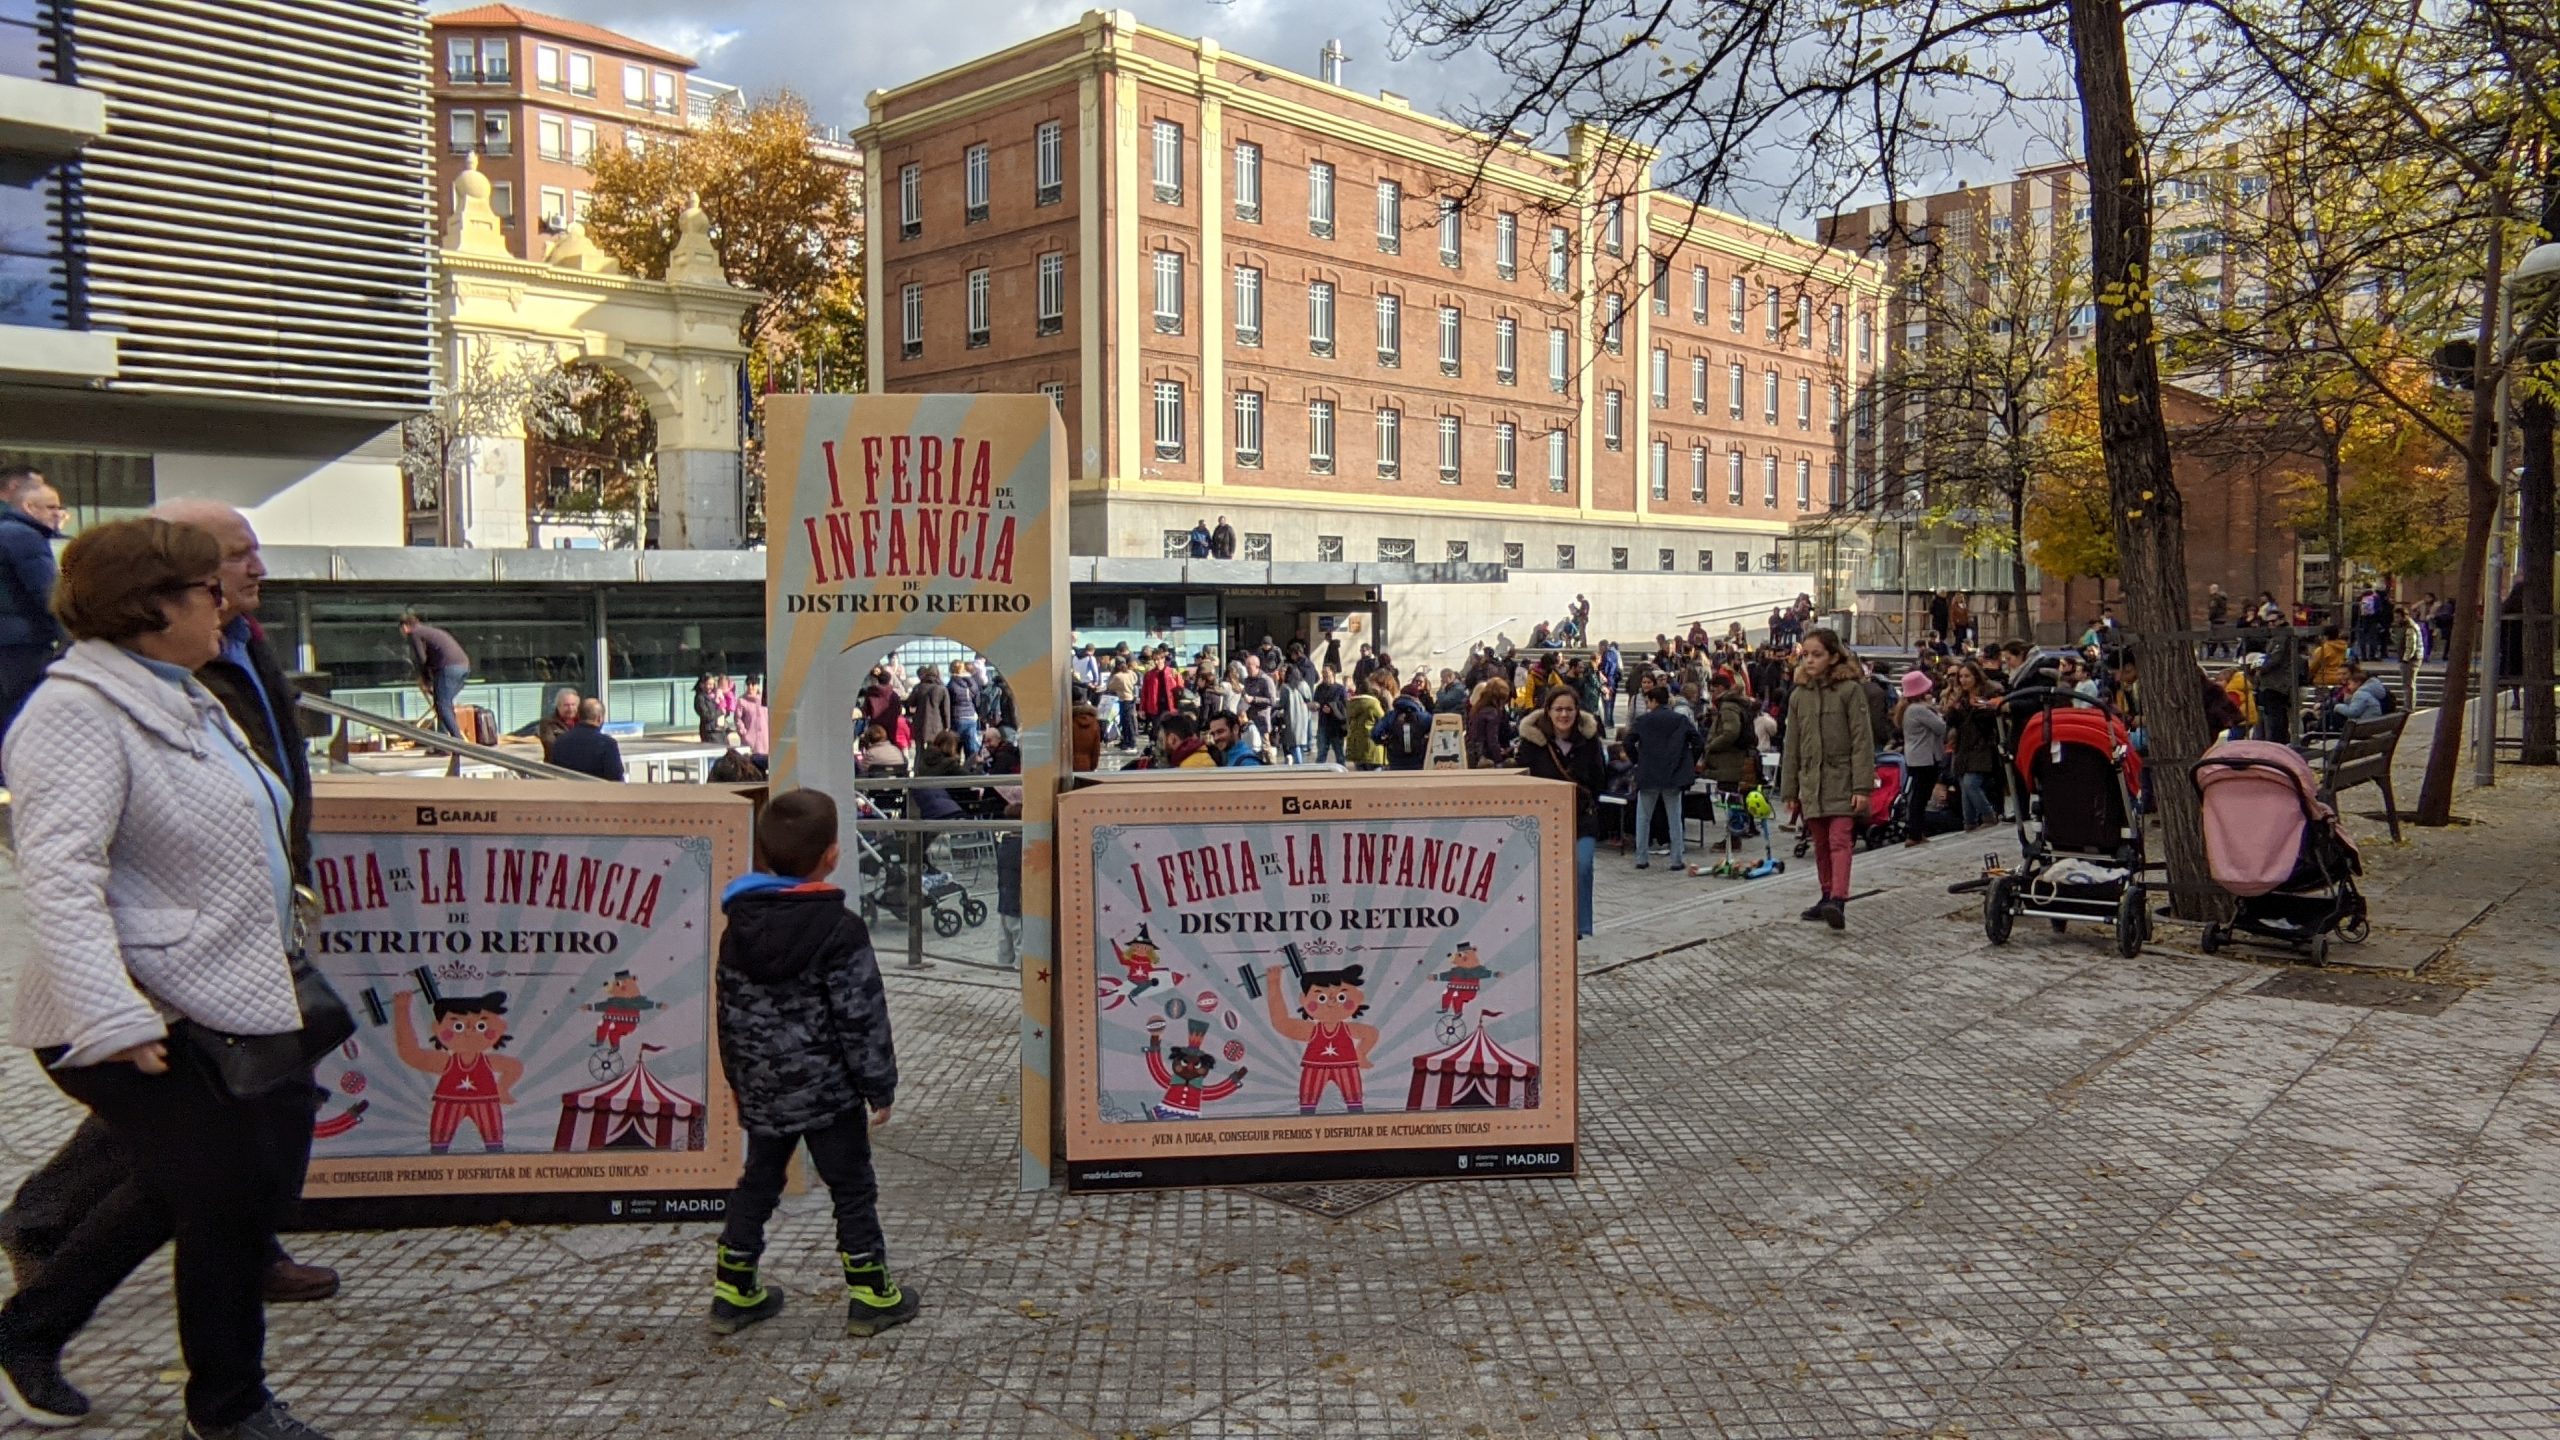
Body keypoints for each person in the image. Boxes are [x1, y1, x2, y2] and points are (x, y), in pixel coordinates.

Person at [0, 518, 333, 1438]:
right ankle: (229, 1407)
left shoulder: (179, 693)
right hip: (132, 1011)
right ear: (150, 607)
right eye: (207, 591)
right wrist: (114, 1014)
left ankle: (28, 1330)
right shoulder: (76, 712)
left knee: (197, 1182)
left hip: (222, 993)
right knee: (223, 1190)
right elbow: (60, 875)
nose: (226, 605)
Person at [706, 789, 916, 1341]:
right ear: (832, 854)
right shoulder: (840, 929)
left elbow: (729, 1014)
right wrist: (879, 1085)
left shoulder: (738, 927)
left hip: (763, 1086)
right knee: (851, 1186)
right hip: (829, 1091)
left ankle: (733, 1286)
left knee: (759, 1179)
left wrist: (740, 1081)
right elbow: (861, 1015)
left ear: (764, 854)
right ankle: (871, 1293)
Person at [1780, 628, 1876, 930]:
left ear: (1833, 657)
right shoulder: (1798, 696)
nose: (1809, 660)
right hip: (1812, 781)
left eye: (1817, 655)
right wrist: (1789, 790)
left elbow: (1862, 740)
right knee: (1820, 842)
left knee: (1839, 840)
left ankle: (1838, 898)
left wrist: (1862, 786)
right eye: (1805, 655)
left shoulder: (1850, 691)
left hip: (1842, 779)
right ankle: (1826, 895)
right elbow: (1791, 745)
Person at [1518, 686, 1606, 939]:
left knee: (1582, 865)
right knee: (1547, 871)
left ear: (1577, 711)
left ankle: (1581, 925)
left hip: (1581, 817)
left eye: (1569, 709)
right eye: (1558, 709)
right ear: (1548, 711)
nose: (1564, 715)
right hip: (1545, 819)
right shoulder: (1532, 742)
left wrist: (1590, 802)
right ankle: (1548, 922)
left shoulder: (1589, 740)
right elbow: (1524, 779)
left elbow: (1599, 777)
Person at [0, 469, 64, 759]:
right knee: (23, 716)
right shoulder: (24, 537)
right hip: (23, 644)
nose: (58, 514)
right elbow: (48, 594)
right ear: (28, 507)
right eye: (51, 507)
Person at [1625, 689, 1702, 871]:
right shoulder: (1679, 720)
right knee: (1674, 818)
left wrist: (1637, 760)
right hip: (1673, 774)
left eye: (1648, 701)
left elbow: (1628, 742)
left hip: (1648, 773)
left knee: (1643, 818)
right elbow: (1698, 741)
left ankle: (1641, 858)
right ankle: (1676, 860)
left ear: (1653, 701)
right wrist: (1688, 761)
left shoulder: (1643, 720)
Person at [398, 610, 471, 760]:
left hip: (449, 667)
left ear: (405, 627)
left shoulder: (415, 634)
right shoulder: (429, 631)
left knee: (442, 705)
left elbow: (421, 658)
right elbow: (431, 656)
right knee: (443, 705)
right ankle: (442, 745)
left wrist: (425, 679)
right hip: (463, 666)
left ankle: (458, 743)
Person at [1894, 669, 1946, 847]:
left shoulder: (1908, 709)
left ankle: (1916, 831)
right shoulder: (1918, 709)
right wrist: (1937, 712)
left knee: (1918, 795)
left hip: (1916, 757)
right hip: (1924, 758)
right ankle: (1915, 832)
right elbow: (1940, 727)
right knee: (1920, 796)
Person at [549, 698, 626, 781]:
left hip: (566, 788)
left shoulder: (560, 741)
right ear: (599, 718)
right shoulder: (607, 744)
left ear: (578, 716)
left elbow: (554, 773)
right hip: (598, 789)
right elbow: (616, 778)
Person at [1373, 683, 1433, 771]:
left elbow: (1375, 734)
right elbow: (1436, 732)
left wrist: (1385, 741)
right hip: (1418, 761)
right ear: (1416, 698)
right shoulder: (1425, 717)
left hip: (1395, 761)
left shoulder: (1391, 716)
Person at [1465, 677, 1514, 767]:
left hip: (1473, 753)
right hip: (1486, 758)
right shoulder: (1492, 712)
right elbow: (1492, 739)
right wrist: (1499, 759)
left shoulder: (1477, 708)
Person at [904, 665, 951, 750]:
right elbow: (946, 710)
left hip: (920, 723)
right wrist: (947, 726)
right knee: (935, 750)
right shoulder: (942, 689)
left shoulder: (919, 687)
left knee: (919, 751)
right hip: (937, 725)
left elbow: (910, 703)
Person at [1344, 680, 1387, 770]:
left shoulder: (1351, 704)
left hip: (1355, 746)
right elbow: (1383, 720)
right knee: (1376, 774)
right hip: (1371, 746)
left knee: (1361, 774)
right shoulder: (1373, 704)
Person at [536, 687, 581, 759]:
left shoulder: (584, 721)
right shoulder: (548, 723)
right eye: (566, 705)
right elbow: (552, 747)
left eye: (573, 705)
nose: (570, 708)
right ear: (558, 706)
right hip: (557, 764)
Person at [736, 679, 770, 758]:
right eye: (748, 684)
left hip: (765, 738)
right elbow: (738, 719)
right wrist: (743, 732)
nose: (750, 687)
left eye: (753, 684)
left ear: (758, 686)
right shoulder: (742, 700)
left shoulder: (765, 699)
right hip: (749, 739)